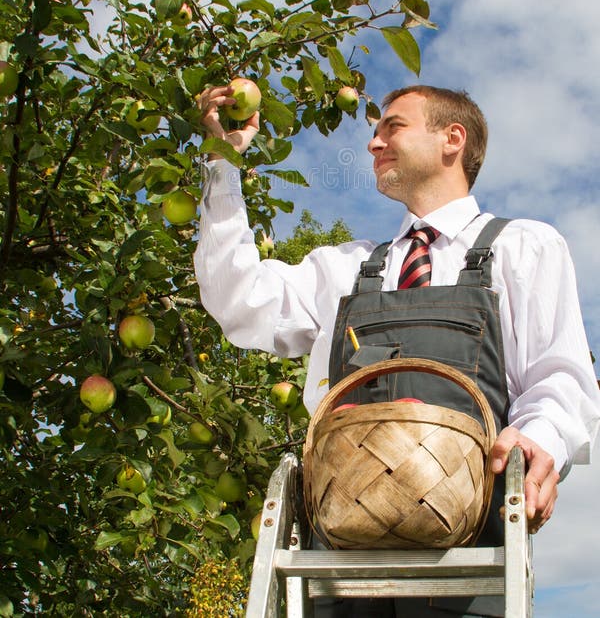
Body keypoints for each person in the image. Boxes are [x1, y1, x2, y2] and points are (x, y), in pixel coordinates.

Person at [194, 83, 600, 618]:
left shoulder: (523, 248)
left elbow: (561, 380)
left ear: (452, 139)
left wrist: (538, 442)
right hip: (339, 570)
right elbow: (237, 299)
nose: (373, 142)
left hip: (469, 563)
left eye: (393, 126)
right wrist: (222, 162)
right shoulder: (344, 270)